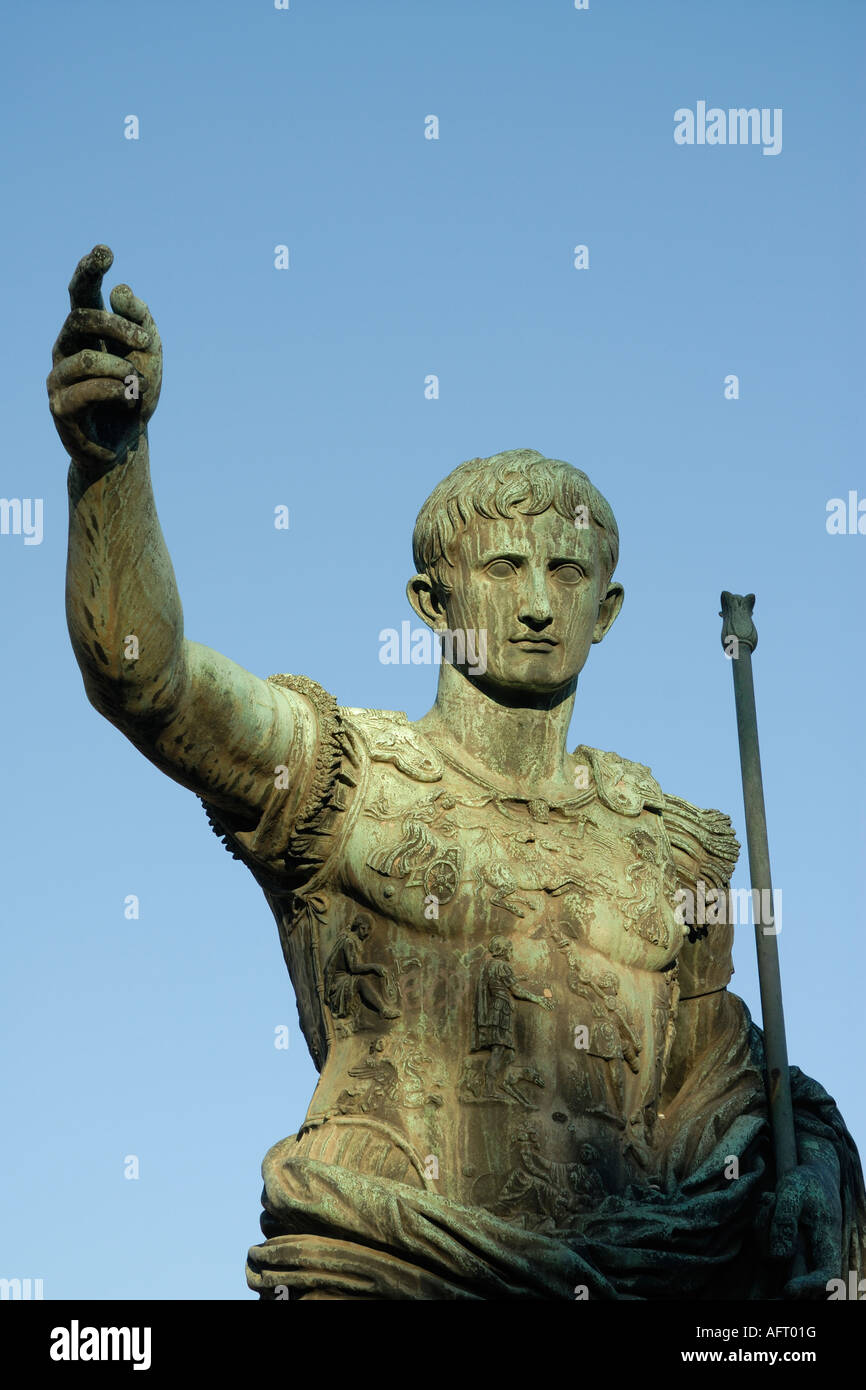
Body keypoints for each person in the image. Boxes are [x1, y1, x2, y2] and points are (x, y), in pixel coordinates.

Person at [48, 245, 866, 1300]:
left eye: (564, 573)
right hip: (390, 1270)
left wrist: (809, 1174)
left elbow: (729, 1098)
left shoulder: (669, 847)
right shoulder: (345, 777)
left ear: (604, 612)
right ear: (431, 604)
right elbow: (143, 679)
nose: (534, 603)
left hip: (646, 1280)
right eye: (501, 569)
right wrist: (112, 470)